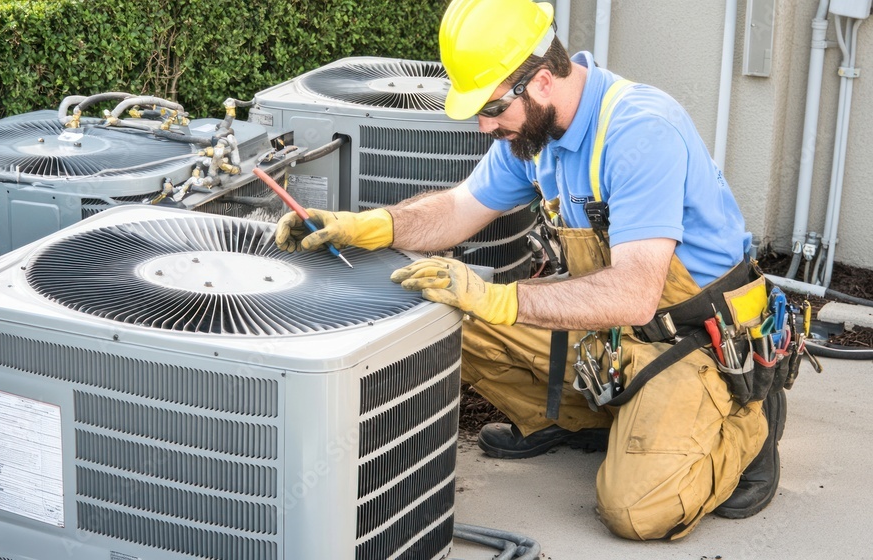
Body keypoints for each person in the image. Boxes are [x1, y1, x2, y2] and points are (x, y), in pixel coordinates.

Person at [274, 0, 789, 541]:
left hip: (694, 341)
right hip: (612, 332)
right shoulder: (533, 137)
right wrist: (367, 226)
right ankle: (578, 419)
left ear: (542, 81)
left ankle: (751, 422)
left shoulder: (640, 132)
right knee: (437, 320)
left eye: (493, 107)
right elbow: (458, 208)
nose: (483, 125)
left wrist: (501, 298)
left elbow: (636, 292)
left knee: (636, 511)